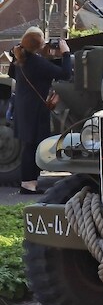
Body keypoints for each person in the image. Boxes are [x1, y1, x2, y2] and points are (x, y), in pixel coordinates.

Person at [10, 27, 73, 195]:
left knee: (29, 145)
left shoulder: (21, 58)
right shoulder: (37, 62)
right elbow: (65, 73)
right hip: (35, 109)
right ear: (39, 45)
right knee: (32, 146)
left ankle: (29, 182)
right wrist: (66, 53)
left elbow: (13, 72)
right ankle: (28, 185)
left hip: (24, 107)